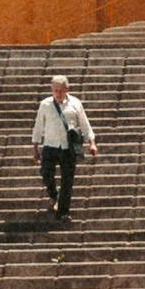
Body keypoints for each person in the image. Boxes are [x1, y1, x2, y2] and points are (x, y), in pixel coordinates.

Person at [32, 73, 94, 227]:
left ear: (67, 89)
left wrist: (92, 142)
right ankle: (54, 195)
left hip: (68, 148)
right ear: (52, 90)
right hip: (50, 146)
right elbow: (38, 126)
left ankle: (63, 212)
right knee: (46, 174)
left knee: (67, 181)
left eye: (61, 90)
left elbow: (85, 124)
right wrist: (35, 147)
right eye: (55, 90)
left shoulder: (75, 103)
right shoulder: (45, 104)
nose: (58, 93)